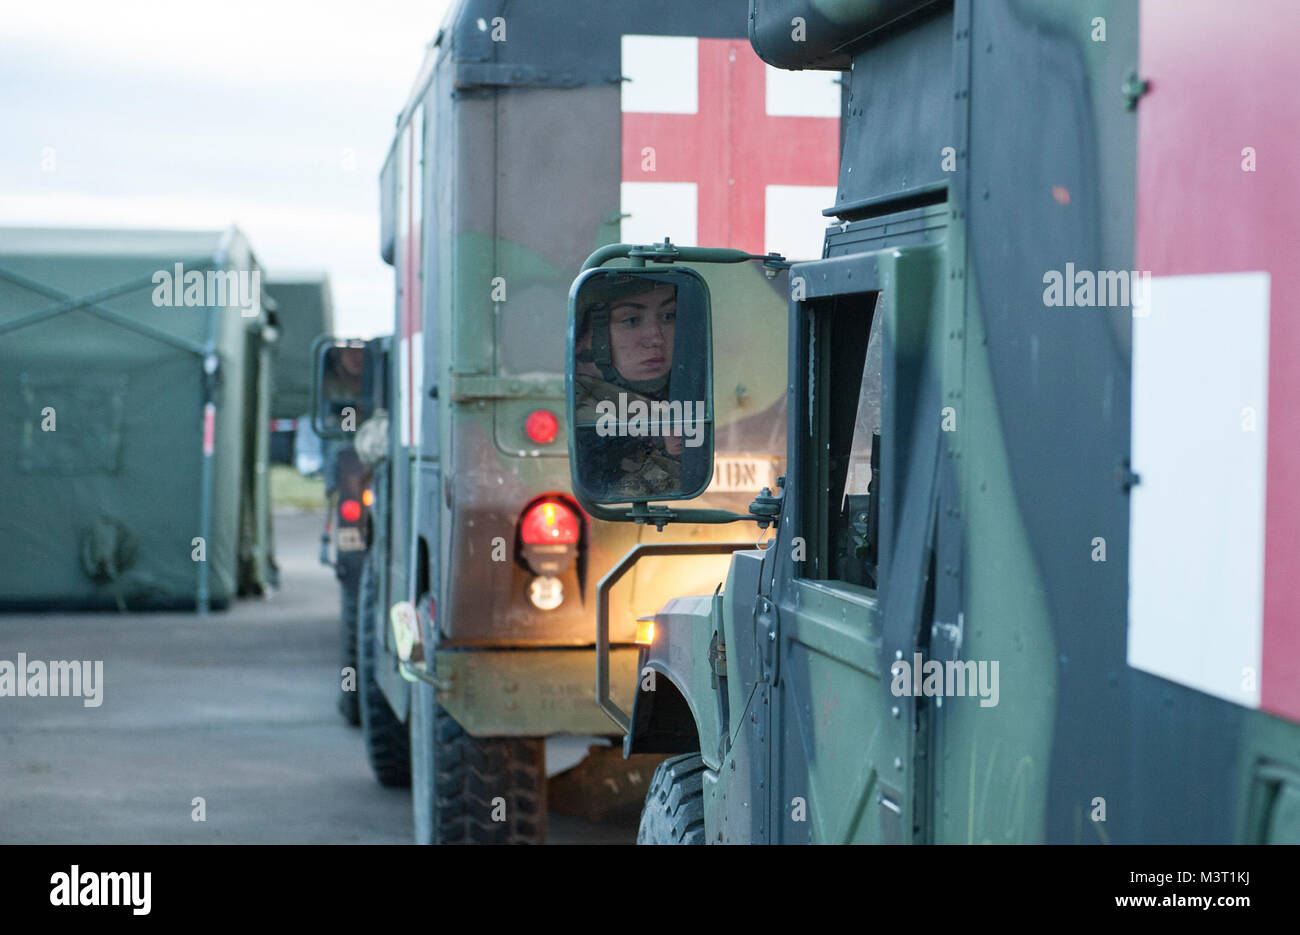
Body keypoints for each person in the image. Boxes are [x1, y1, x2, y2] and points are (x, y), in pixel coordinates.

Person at [573, 274, 684, 500]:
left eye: (668, 316)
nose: (656, 338)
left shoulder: (659, 404)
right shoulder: (588, 419)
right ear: (582, 339)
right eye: (631, 320)